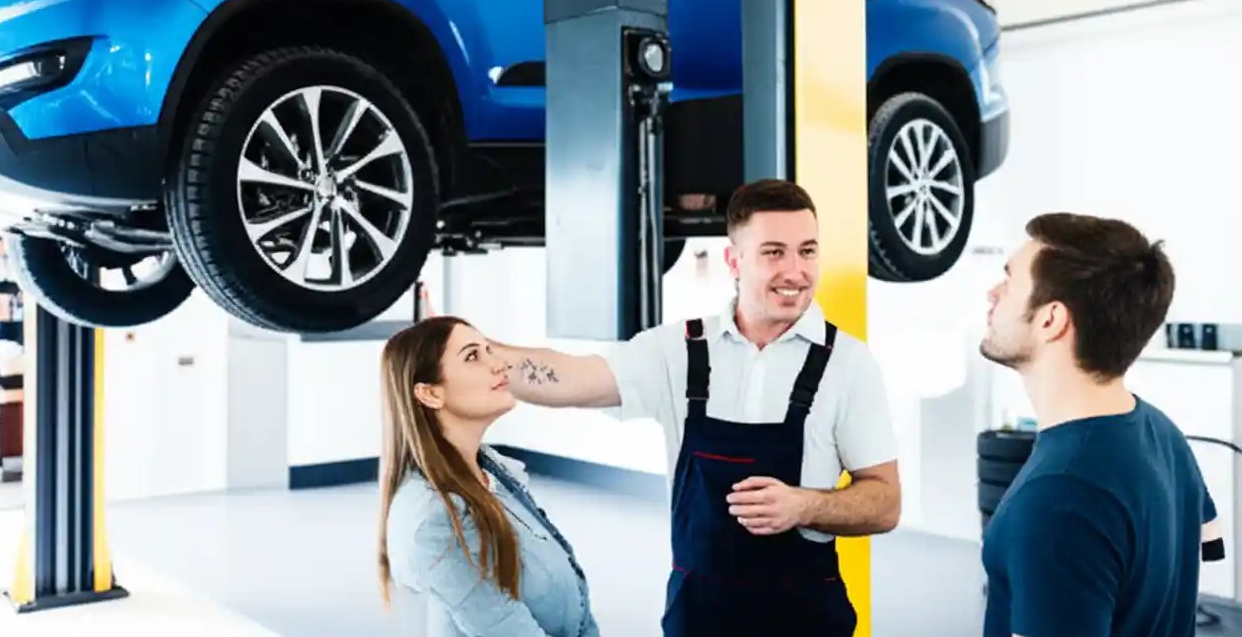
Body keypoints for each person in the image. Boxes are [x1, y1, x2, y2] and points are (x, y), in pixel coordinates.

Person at [485, 179, 902, 636]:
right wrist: (470, 352)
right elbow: (571, 378)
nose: (795, 271)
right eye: (773, 252)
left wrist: (803, 506)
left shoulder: (848, 363)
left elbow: (884, 502)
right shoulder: (679, 350)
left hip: (805, 617)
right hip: (699, 616)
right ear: (734, 261)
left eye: (807, 251)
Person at [978, 213, 1220, 637]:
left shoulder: (1056, 500)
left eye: (1009, 281)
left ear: (1051, 320)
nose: (991, 293)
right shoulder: (1162, 433)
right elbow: (1209, 543)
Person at [377, 316, 600, 637]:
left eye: (489, 350)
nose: (498, 365)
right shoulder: (433, 521)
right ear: (430, 394)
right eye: (472, 356)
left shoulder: (493, 471)